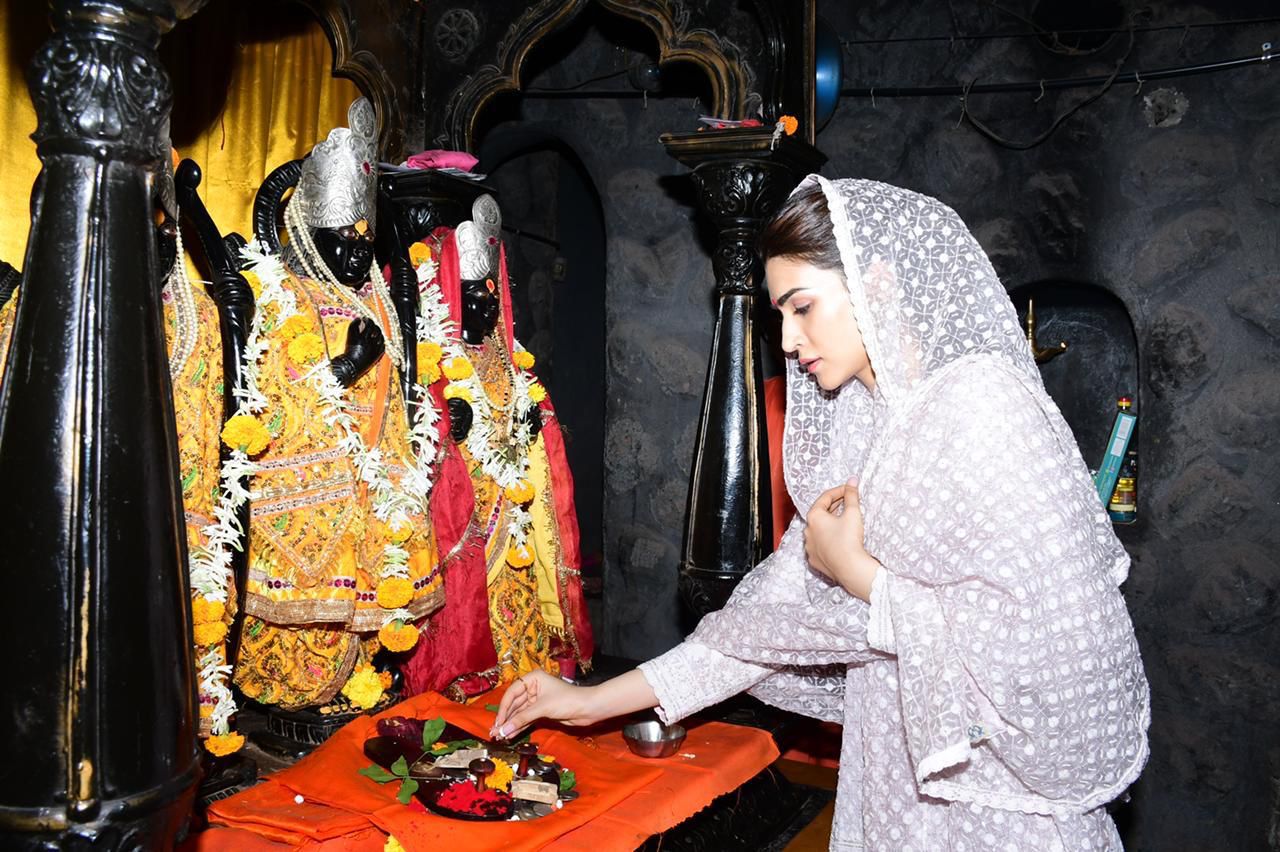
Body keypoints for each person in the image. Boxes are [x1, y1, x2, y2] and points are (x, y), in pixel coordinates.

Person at [493, 176, 1150, 850]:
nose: (786, 339)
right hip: (893, 791)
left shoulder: (983, 407)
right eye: (781, 313)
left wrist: (860, 576)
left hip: (997, 810)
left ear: (881, 283)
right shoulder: (861, 420)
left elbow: (1057, 650)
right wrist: (586, 701)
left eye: (803, 307)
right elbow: (761, 627)